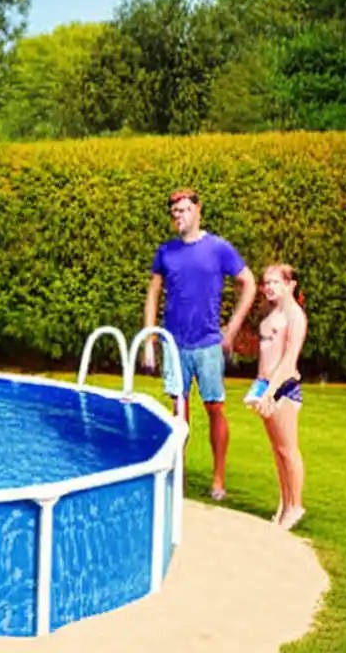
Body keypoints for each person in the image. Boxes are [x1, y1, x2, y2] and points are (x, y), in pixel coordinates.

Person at [142, 188, 257, 501]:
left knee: (215, 407)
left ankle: (218, 479)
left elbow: (249, 282)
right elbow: (153, 293)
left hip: (207, 343)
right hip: (174, 343)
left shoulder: (218, 248)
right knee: (179, 410)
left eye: (184, 210)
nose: (179, 216)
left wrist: (231, 329)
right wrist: (150, 338)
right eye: (175, 212)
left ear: (198, 210)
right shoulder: (166, 252)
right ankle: (176, 474)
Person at [243, 263, 307, 530]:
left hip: (283, 389)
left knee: (288, 450)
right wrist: (258, 390)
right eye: (266, 282)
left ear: (290, 285)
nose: (269, 287)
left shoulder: (295, 316)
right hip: (266, 389)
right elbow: (265, 359)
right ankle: (284, 502)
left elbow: (289, 358)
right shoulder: (271, 314)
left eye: (275, 282)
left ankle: (296, 505)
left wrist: (270, 392)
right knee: (277, 451)